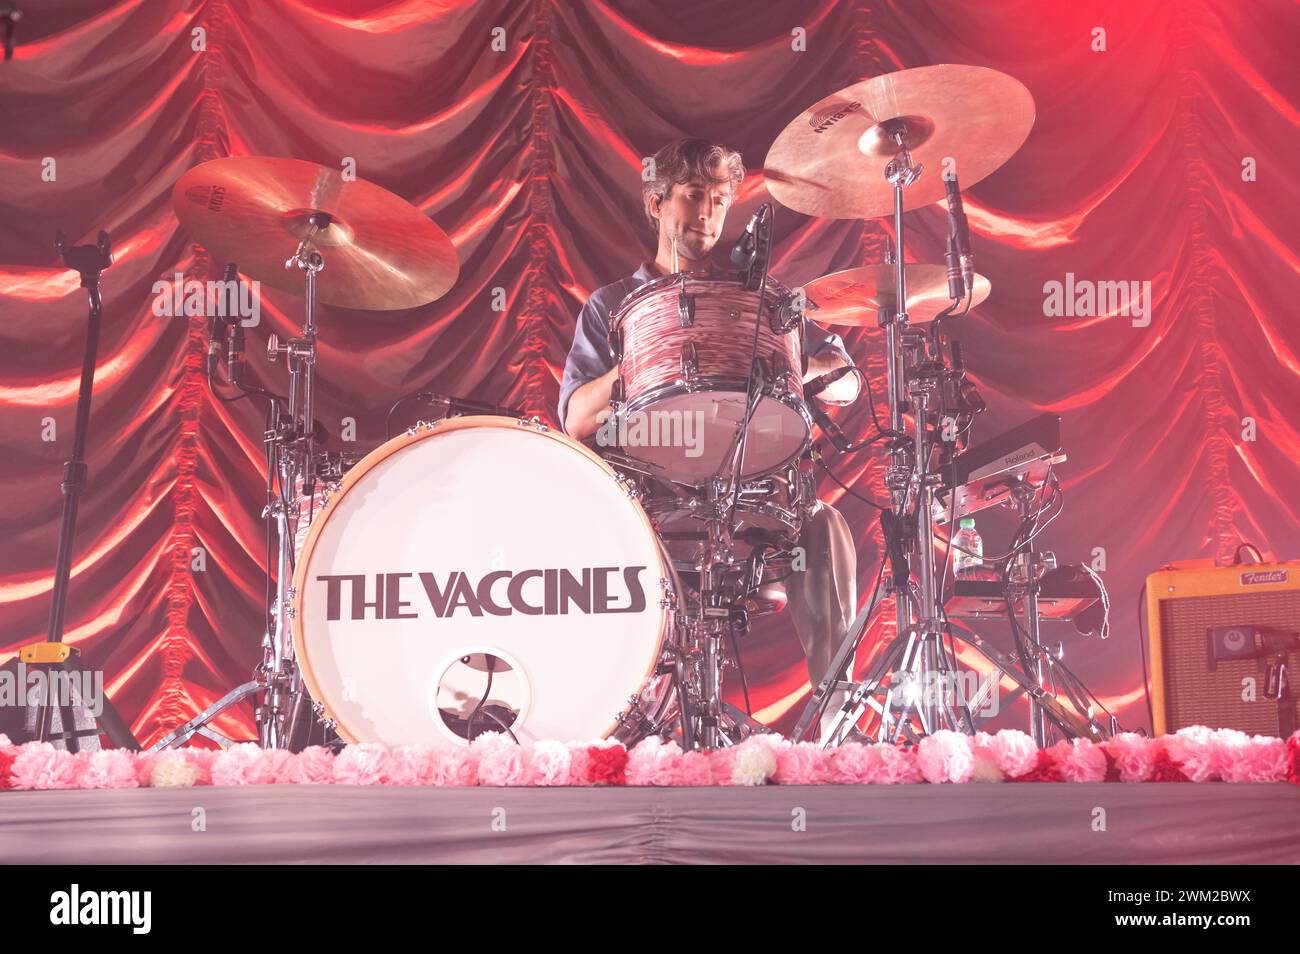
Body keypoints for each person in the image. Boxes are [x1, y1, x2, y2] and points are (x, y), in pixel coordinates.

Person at [558, 137, 859, 739]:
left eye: (720, 200)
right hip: (650, 501)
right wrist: (647, 359)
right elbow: (574, 419)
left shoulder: (759, 301)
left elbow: (849, 383)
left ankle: (833, 731)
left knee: (825, 527)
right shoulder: (612, 305)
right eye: (694, 196)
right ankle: (600, 724)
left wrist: (801, 371)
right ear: (655, 204)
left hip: (750, 497)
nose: (709, 214)